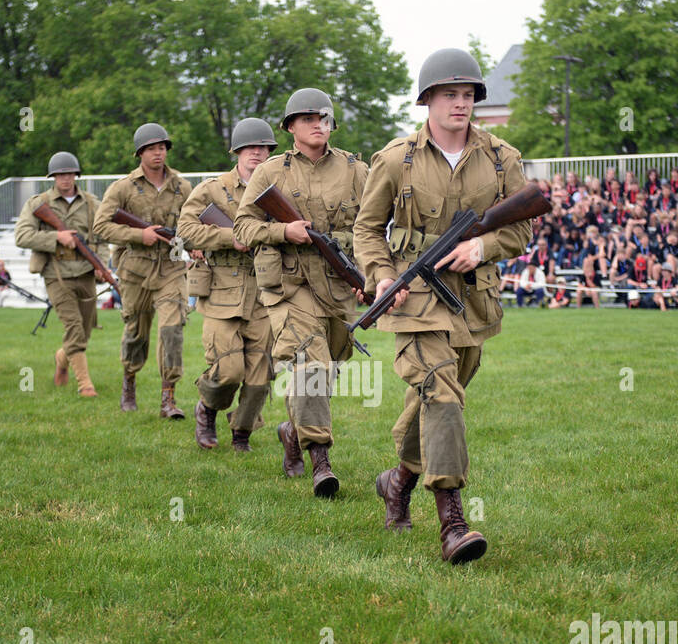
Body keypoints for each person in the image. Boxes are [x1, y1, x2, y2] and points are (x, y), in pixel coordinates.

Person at [354, 48, 532, 563]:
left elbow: (520, 225)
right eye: (449, 94)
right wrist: (383, 275)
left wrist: (484, 247)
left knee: (437, 399)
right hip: (414, 298)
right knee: (442, 396)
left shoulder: (502, 158)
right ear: (427, 99)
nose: (461, 103)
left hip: (472, 298)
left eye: (469, 94)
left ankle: (399, 480)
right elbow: (367, 230)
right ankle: (452, 521)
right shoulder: (394, 159)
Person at [233, 88, 368, 498]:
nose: (317, 124)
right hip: (289, 287)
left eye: (323, 117)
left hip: (337, 285)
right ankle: (320, 460)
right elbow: (242, 227)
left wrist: (368, 274)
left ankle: (293, 430)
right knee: (311, 365)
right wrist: (282, 231)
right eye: (307, 118)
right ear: (291, 126)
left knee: (329, 370)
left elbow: (373, 228)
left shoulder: (355, 170)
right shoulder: (270, 172)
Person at [177, 117, 277, 451]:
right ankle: (206, 409)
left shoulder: (279, 189)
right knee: (229, 370)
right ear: (237, 151)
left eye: (263, 147)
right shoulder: (212, 188)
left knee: (261, 377)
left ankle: (242, 431)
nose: (257, 153)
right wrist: (229, 237)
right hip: (222, 291)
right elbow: (186, 230)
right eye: (250, 147)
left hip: (265, 292)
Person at [93, 123, 194, 417]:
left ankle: (168, 398)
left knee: (172, 330)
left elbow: (192, 224)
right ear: (140, 153)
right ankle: (129, 382)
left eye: (162, 147)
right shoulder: (122, 187)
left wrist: (195, 244)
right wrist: (140, 235)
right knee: (136, 333)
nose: (158, 153)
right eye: (152, 148)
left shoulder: (182, 186)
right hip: (136, 270)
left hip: (172, 268)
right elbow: (101, 226)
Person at [14, 151, 114, 398]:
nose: (65, 179)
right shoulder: (38, 204)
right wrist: (55, 237)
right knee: (74, 327)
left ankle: (62, 357)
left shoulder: (92, 203)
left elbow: (102, 236)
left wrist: (101, 264)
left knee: (85, 330)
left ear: (76, 175)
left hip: (86, 273)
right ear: (53, 177)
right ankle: (85, 385)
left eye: (69, 174)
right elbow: (22, 236)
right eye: (60, 175)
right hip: (56, 274)